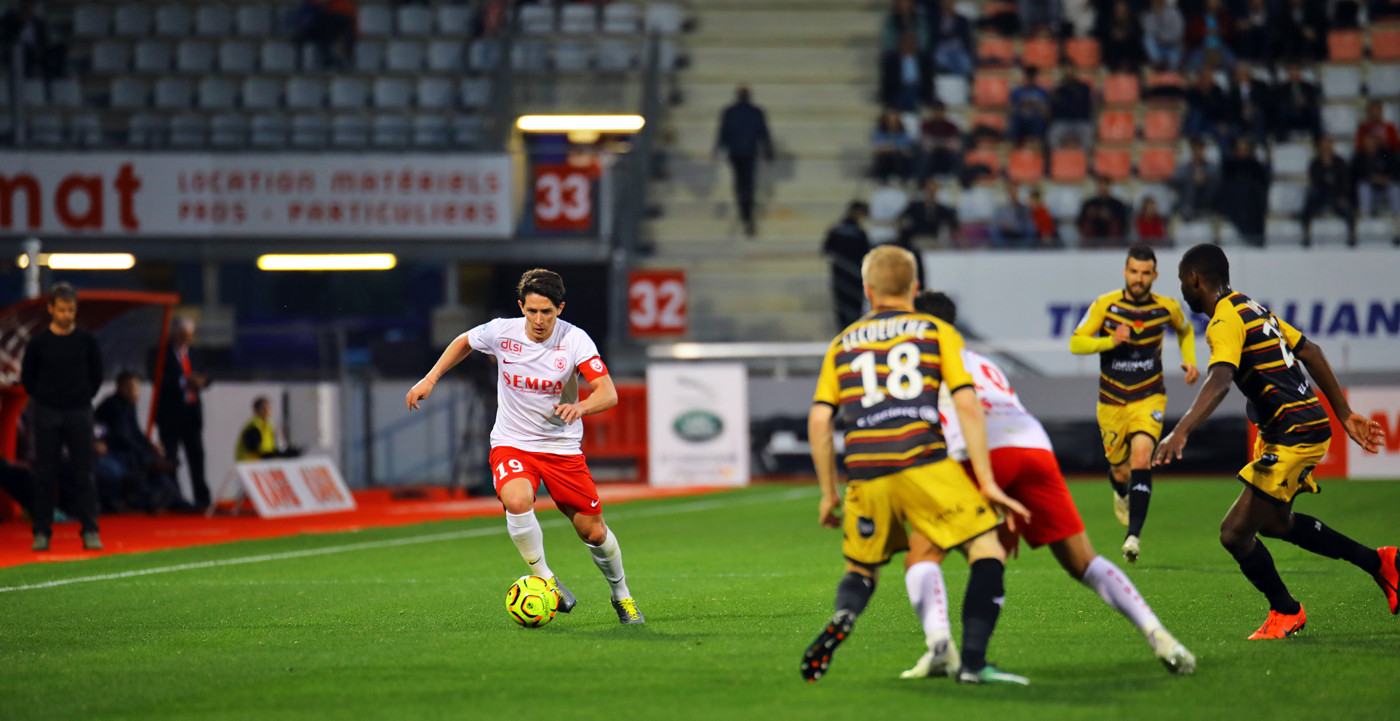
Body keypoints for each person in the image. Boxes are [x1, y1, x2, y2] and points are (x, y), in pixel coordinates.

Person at [895, 290, 1195, 680]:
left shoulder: (922, 361)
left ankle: (940, 647)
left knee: (921, 554)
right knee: (1083, 561)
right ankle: (1159, 634)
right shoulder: (985, 364)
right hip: (1034, 448)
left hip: (980, 451)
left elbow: (944, 421)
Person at [802, 245, 1031, 685]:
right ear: (915, 288)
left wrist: (829, 492)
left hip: (866, 472)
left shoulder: (841, 343)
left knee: (860, 570)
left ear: (867, 290)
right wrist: (986, 480)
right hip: (924, 459)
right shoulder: (935, 330)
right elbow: (966, 403)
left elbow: (819, 418)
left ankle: (846, 614)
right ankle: (974, 664)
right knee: (987, 550)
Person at [1155, 244, 1397, 639]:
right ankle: (1381, 564)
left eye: (1183, 282)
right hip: (1293, 427)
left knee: (1234, 533)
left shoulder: (1224, 320)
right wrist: (1344, 413)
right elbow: (1311, 351)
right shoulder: (1252, 307)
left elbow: (1219, 380)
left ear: (1195, 279)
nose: (1182, 291)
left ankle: (1286, 611)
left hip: (1294, 431)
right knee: (1275, 523)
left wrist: (1181, 430)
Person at [406, 269, 642, 624]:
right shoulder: (503, 330)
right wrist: (430, 378)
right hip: (513, 443)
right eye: (531, 311)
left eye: (546, 312)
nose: (538, 320)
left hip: (561, 448)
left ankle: (621, 595)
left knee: (593, 532)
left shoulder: (575, 340)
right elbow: (464, 341)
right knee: (516, 500)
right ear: (522, 307)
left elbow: (608, 393)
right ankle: (547, 580)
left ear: (559, 309)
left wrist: (580, 407)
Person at [1070, 247, 1199, 562]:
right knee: (1120, 468)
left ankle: (1133, 538)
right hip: (1112, 401)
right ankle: (1119, 488)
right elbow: (1076, 342)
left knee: (1142, 458)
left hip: (1149, 395)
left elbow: (1185, 329)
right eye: (1134, 272)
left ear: (1154, 276)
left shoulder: (1167, 307)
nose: (1139, 279)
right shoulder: (1106, 305)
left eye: (1145, 273)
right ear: (1125, 272)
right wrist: (1109, 341)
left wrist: (1191, 361)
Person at [20, 283, 104, 552]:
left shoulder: (87, 342)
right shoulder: (39, 343)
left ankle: (90, 530)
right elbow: (27, 378)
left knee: (85, 474)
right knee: (44, 474)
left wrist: (80, 398)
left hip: (79, 411)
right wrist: (46, 399)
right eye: (62, 310)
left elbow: (97, 377)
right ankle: (42, 532)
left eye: (71, 310)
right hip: (47, 412)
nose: (67, 314)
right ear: (51, 309)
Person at [95, 370, 181, 514]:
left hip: (126, 450)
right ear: (120, 387)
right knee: (137, 464)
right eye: (131, 387)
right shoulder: (113, 406)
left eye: (136, 388)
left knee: (158, 463)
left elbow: (135, 432)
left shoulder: (128, 406)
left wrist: (150, 446)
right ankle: (149, 498)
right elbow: (121, 436)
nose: (135, 392)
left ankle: (172, 497)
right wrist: (143, 451)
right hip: (113, 452)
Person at [153, 317, 211, 511]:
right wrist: (183, 382)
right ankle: (174, 498)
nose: (187, 338)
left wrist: (201, 381)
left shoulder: (194, 353)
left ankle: (202, 498)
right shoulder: (160, 353)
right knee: (170, 457)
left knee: (197, 456)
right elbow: (157, 377)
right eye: (183, 333)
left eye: (189, 334)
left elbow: (206, 373)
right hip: (170, 414)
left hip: (192, 414)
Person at [715, 86, 774, 237]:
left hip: (735, 152)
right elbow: (763, 132)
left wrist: (719, 149)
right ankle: (747, 211)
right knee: (748, 182)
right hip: (750, 152)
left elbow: (723, 133)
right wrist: (768, 150)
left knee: (739, 181)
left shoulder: (729, 112)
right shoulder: (756, 112)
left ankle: (744, 208)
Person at [824, 202, 872, 329]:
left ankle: (842, 331)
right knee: (855, 306)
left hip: (839, 273)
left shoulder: (836, 230)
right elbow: (866, 252)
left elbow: (826, 250)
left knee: (841, 307)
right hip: (855, 274)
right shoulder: (859, 232)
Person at [1302, 137, 1355, 245]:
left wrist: (1342, 197)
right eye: (1323, 147)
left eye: (1327, 146)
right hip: (1321, 196)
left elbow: (1345, 182)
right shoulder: (1315, 163)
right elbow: (1315, 182)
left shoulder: (1340, 162)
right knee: (1310, 200)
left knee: (1349, 210)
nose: (1325, 149)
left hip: (1336, 196)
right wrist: (1325, 166)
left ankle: (1352, 236)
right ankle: (1306, 235)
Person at [1220, 136, 1270, 245]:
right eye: (1240, 149)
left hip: (1253, 205)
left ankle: (1255, 238)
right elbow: (1224, 188)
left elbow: (1262, 186)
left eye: (1245, 149)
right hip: (1233, 204)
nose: (1243, 152)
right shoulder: (1229, 165)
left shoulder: (1255, 166)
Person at [881, 32, 935, 112]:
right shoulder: (892, 59)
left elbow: (928, 79)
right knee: (906, 92)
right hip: (899, 89)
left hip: (918, 89)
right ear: (900, 43)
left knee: (911, 90)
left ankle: (905, 110)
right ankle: (910, 110)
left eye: (911, 42)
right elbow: (888, 80)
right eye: (905, 42)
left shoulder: (924, 59)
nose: (908, 45)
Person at [898, 179, 960, 248]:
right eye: (929, 190)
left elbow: (953, 225)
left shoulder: (942, 209)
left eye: (934, 190)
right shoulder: (915, 206)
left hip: (935, 239)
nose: (931, 193)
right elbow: (901, 219)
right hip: (918, 238)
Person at [236, 397, 301, 462]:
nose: (269, 410)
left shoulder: (269, 425)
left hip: (261, 461)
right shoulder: (254, 426)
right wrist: (272, 455)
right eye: (266, 407)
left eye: (269, 407)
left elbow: (270, 447)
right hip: (249, 462)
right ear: (258, 410)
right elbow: (253, 447)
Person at [1171, 138, 1221, 220]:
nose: (1197, 152)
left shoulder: (1212, 168)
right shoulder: (1184, 168)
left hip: (1208, 206)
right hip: (1187, 208)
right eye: (1195, 148)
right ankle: (1188, 211)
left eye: (1200, 148)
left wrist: (1205, 178)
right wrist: (1191, 176)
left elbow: (1218, 183)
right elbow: (1174, 181)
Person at [1353, 133, 1400, 218]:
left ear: (1376, 142)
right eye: (1367, 142)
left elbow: (1394, 170)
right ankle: (1365, 214)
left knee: (1395, 188)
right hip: (1370, 187)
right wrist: (1373, 178)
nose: (1369, 144)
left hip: (1385, 186)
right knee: (1363, 187)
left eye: (1371, 142)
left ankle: (1397, 215)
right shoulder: (1359, 157)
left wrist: (1386, 179)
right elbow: (1358, 174)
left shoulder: (1385, 154)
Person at [1049, 65, 1096, 150]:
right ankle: (1058, 159)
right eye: (1067, 73)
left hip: (1080, 121)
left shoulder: (1084, 88)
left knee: (1088, 135)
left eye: (1071, 72)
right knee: (1053, 135)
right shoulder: (1059, 89)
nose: (1070, 75)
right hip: (1062, 122)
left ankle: (1084, 160)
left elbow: (1084, 104)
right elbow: (1055, 107)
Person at [1271, 64, 1320, 142]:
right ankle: (1281, 138)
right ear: (1288, 75)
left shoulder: (1308, 87)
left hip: (1305, 111)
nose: (1294, 75)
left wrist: (1304, 101)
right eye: (1292, 74)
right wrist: (1293, 102)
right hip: (1289, 112)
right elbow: (1279, 100)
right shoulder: (1282, 88)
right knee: (1281, 109)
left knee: (1314, 109)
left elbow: (1312, 98)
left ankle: (1318, 138)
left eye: (1296, 73)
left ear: (1300, 74)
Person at [1077, 177, 1132, 246]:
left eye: (1105, 185)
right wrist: (1092, 215)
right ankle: (1088, 247)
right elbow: (1080, 221)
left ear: (1109, 187)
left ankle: (1113, 247)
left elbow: (1123, 222)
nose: (1103, 188)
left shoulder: (1117, 204)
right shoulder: (1089, 204)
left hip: (1112, 239)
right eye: (1100, 185)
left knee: (1114, 224)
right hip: (1093, 237)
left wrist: (1110, 216)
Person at [1226, 62, 1271, 147]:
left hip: (1256, 113)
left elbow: (1265, 101)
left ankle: (1259, 144)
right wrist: (1242, 110)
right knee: (1233, 126)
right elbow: (1230, 106)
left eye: (1243, 73)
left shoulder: (1260, 85)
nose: (1241, 75)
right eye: (1238, 73)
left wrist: (1253, 107)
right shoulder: (1233, 90)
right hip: (1240, 117)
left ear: (1248, 73)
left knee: (1259, 114)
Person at [918, 102, 964, 178]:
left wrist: (944, 144)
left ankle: (956, 178)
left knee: (958, 153)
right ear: (933, 112)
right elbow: (925, 141)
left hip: (947, 152)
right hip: (932, 151)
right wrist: (939, 143)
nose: (938, 114)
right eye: (936, 111)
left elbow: (954, 142)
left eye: (940, 111)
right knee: (924, 152)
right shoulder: (926, 125)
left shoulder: (951, 126)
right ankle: (923, 178)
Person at [1098, 0, 1146, 71]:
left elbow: (1138, 39)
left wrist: (1126, 35)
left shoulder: (1135, 23)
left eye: (1123, 11)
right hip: (1113, 60)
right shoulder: (1108, 24)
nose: (1121, 13)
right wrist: (1115, 36)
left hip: (1132, 60)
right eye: (1119, 10)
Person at [1008, 67, 1052, 145]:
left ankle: (1039, 145)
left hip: (1036, 117)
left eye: (1032, 76)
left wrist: (1036, 106)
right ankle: (1012, 145)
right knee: (1015, 122)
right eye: (1028, 76)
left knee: (1038, 121)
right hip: (1021, 117)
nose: (1030, 79)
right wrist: (1022, 105)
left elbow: (1046, 111)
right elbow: (1011, 110)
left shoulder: (1042, 91)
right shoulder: (1017, 91)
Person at [931, 0, 975, 75]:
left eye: (949, 3)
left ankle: (962, 80)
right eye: (945, 3)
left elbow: (965, 37)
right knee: (941, 58)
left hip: (958, 48)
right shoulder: (935, 19)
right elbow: (935, 37)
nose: (947, 5)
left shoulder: (962, 20)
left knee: (966, 64)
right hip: (942, 48)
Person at [872, 109, 915, 182]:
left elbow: (907, 147)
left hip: (900, 158)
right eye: (889, 121)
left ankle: (900, 176)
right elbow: (877, 145)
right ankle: (882, 178)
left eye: (894, 121)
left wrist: (893, 147)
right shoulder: (880, 132)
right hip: (885, 157)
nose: (892, 123)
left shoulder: (903, 133)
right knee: (884, 156)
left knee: (896, 155)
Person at [991, 182, 1037, 248]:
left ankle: (1023, 250)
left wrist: (1015, 226)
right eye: (1010, 192)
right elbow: (996, 221)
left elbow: (1027, 222)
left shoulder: (1024, 208)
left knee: (1031, 228)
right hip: (1005, 231)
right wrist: (1004, 225)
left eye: (1015, 192)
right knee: (994, 229)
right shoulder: (1000, 208)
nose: (1012, 195)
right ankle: (1003, 250)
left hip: (1020, 230)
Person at [1141, 0, 1185, 69]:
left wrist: (1161, 37)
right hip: (1158, 48)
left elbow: (1177, 34)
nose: (1156, 2)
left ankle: (1172, 73)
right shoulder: (1147, 15)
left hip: (1172, 47)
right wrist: (1156, 14)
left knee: (1177, 51)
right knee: (1147, 38)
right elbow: (1149, 31)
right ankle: (1157, 65)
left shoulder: (1174, 13)